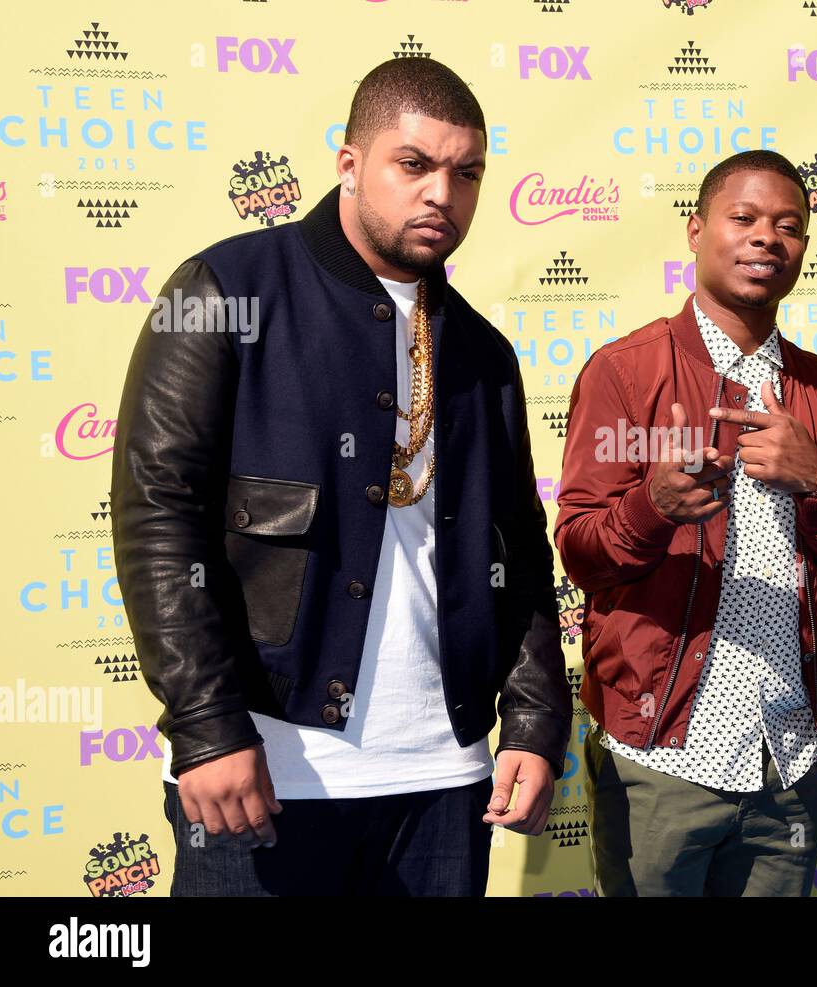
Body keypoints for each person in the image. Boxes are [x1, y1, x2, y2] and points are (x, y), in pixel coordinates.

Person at [110, 57, 571, 896]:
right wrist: (208, 727)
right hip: (266, 769)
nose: (442, 192)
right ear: (349, 164)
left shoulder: (481, 352)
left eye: (466, 173)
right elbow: (158, 517)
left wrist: (537, 721)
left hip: (446, 779)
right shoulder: (225, 291)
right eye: (414, 164)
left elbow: (520, 556)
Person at [556, 150, 817, 896]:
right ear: (696, 230)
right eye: (744, 219)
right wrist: (653, 507)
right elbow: (580, 552)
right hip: (663, 754)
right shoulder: (625, 371)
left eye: (790, 226)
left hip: (787, 756)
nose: (767, 238)